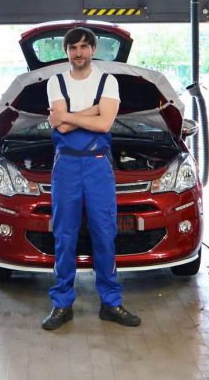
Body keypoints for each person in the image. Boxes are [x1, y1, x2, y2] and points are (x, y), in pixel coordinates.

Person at [40, 27, 140, 331]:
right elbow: (65, 127)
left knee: (104, 234)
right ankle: (62, 304)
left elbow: (103, 123)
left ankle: (111, 302)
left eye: (84, 46)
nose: (79, 52)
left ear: (93, 49)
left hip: (98, 167)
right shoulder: (55, 83)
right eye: (73, 48)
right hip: (66, 167)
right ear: (66, 51)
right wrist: (93, 112)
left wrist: (70, 116)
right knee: (65, 236)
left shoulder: (107, 81)